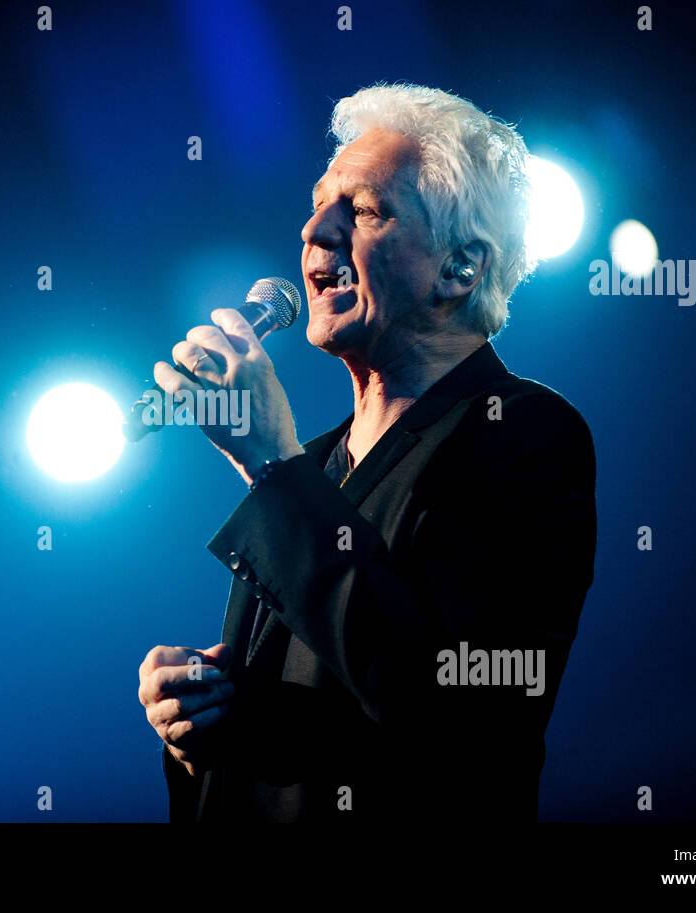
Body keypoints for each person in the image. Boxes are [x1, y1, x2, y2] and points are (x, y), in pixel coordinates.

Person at [137, 83, 597, 822]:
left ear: (459, 269)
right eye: (319, 203)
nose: (315, 231)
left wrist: (270, 467)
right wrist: (201, 736)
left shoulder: (523, 433)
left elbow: (453, 708)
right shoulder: (311, 468)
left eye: (363, 210)